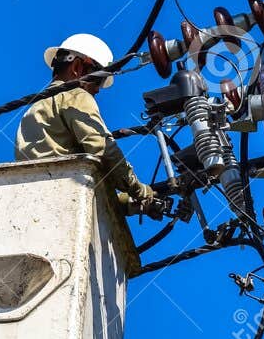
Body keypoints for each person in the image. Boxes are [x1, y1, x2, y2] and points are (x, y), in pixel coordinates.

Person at [15, 33, 164, 215]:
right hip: (63, 198)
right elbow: (103, 149)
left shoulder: (35, 108)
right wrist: (139, 190)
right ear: (77, 67)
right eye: (99, 79)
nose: (98, 89)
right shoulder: (75, 95)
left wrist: (125, 202)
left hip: (35, 204)